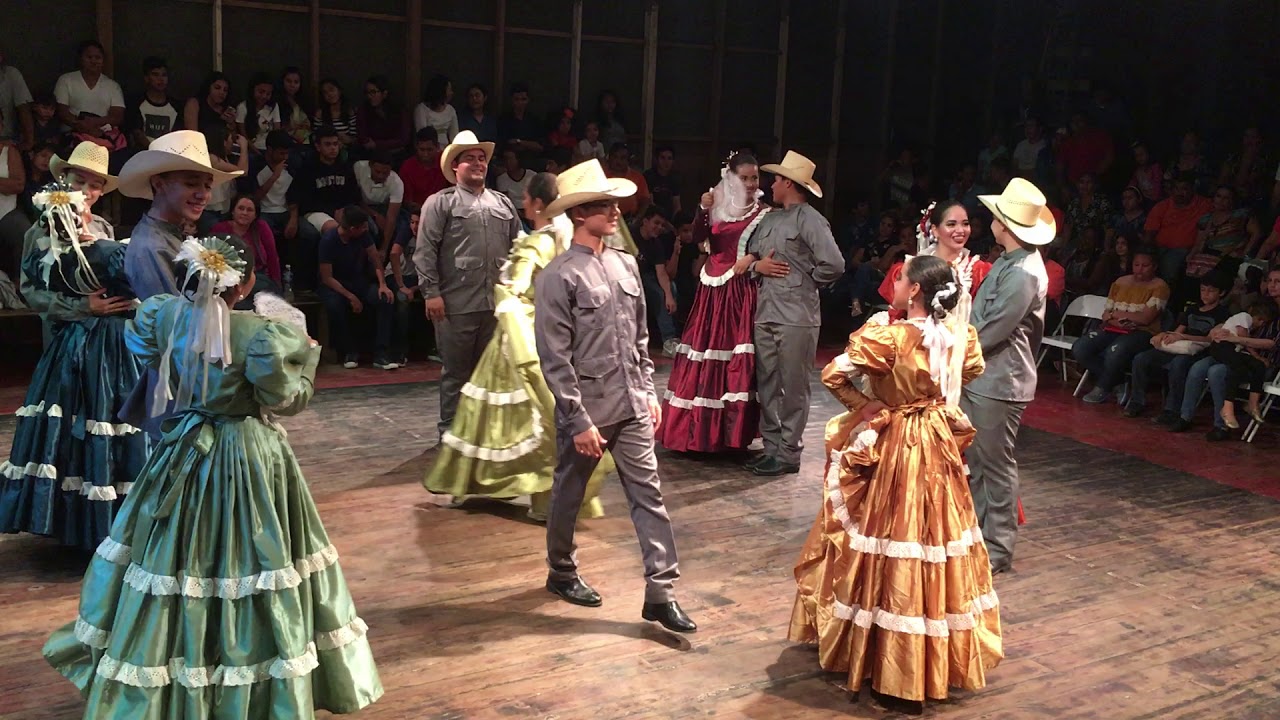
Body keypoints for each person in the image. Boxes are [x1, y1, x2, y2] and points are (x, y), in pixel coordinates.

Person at [42, 235, 382, 717]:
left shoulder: (163, 316)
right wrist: (307, 357)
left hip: (183, 445)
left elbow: (143, 352)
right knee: (252, 557)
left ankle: (167, 675)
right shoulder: (262, 334)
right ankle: (247, 679)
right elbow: (287, 400)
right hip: (247, 454)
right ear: (242, 285)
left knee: (175, 559)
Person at [789, 254, 1000, 712]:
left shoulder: (890, 335)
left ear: (917, 291)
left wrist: (865, 404)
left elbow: (834, 373)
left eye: (901, 278)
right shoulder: (961, 336)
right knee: (935, 537)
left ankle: (891, 668)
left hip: (900, 441)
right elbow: (970, 371)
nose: (896, 284)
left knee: (893, 536)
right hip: (938, 440)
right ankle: (925, 662)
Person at [534, 159, 695, 634]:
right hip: (588, 409)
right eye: (602, 204)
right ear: (579, 214)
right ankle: (562, 571)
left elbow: (640, 338)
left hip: (631, 403)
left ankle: (661, 592)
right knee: (568, 490)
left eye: (612, 202)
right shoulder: (558, 276)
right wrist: (578, 420)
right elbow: (554, 357)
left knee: (650, 495)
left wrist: (648, 390)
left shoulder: (625, 263)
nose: (615, 209)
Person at [425, 171, 613, 520]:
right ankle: (521, 491)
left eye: (527, 197)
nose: (522, 202)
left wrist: (515, 312)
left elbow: (514, 291)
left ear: (539, 204)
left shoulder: (537, 242)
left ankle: (534, 493)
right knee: (523, 418)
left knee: (526, 419)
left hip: (523, 336)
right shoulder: (564, 241)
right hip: (552, 334)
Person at [0, 146, 149, 551]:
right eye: (79, 180)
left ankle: (107, 518)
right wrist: (81, 306)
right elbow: (31, 291)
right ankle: (65, 520)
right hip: (68, 338)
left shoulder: (101, 224)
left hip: (112, 345)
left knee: (109, 421)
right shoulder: (40, 228)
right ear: (63, 180)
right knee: (68, 425)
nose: (86, 189)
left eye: (94, 184)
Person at [117, 130, 244, 440]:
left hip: (186, 387)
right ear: (159, 183)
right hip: (178, 394)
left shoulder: (173, 237)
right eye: (191, 183)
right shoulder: (151, 245)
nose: (203, 194)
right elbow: (177, 331)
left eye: (206, 185)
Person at [962, 177, 1053, 574]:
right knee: (979, 462)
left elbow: (996, 328)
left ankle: (997, 547)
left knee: (995, 464)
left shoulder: (1024, 272)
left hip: (1000, 380)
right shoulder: (1008, 262)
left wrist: (956, 354)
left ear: (1005, 224)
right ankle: (981, 537)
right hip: (986, 375)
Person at [738, 151, 844, 476]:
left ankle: (788, 452)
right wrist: (758, 265)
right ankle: (772, 448)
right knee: (768, 383)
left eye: (776, 180)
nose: (770, 185)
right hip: (767, 311)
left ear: (788, 183)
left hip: (797, 315)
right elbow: (750, 257)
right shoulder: (770, 219)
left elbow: (834, 263)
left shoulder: (810, 219)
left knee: (793, 385)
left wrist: (805, 280)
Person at [658, 151, 770, 453]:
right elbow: (697, 237)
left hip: (741, 294)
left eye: (754, 178)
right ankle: (698, 435)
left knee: (735, 361)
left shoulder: (764, 214)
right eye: (743, 177)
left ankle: (731, 436)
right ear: (730, 178)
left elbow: (767, 249)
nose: (749, 183)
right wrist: (702, 210)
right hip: (712, 293)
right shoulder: (717, 208)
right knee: (703, 358)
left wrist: (754, 257)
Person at [413, 130, 521, 438]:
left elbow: (518, 248)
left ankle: (484, 434)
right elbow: (425, 250)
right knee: (456, 373)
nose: (478, 163)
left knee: (492, 373)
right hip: (456, 303)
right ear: (455, 167)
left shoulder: (503, 203)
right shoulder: (440, 203)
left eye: (482, 158)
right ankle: (450, 433)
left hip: (496, 304)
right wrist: (431, 293)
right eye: (469, 158)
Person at [1124, 272, 1232, 421]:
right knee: (1141, 358)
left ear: (1222, 293)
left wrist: (1183, 336)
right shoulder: (1193, 309)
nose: (1206, 294)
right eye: (1203, 290)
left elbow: (1210, 339)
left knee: (1178, 364)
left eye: (1211, 291)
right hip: (1179, 345)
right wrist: (1165, 335)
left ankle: (1171, 410)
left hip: (1200, 351)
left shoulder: (1223, 313)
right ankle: (1136, 401)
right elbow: (1178, 331)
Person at [1072, 247, 1170, 404]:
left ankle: (1103, 387)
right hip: (1114, 326)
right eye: (1136, 264)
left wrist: (1116, 315)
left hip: (1142, 331)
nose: (1140, 269)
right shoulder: (1120, 282)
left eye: (1145, 266)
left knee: (1115, 351)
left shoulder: (1159, 286)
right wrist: (1115, 319)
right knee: (1080, 348)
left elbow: (1145, 318)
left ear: (1154, 267)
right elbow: (1106, 314)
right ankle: (1117, 380)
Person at [318, 206, 396, 370]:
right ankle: (349, 351)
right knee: (334, 305)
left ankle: (381, 352)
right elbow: (327, 277)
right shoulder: (329, 241)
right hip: (335, 284)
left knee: (384, 298)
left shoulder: (364, 236)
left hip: (358, 281)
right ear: (353, 229)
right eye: (363, 226)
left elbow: (375, 260)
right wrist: (350, 297)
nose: (367, 229)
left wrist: (382, 284)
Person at [211, 193, 283, 302]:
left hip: (258, 279)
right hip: (227, 282)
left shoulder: (261, 227)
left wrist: (278, 285)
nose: (244, 213)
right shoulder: (220, 228)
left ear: (255, 215)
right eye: (241, 208)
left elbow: (272, 257)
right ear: (233, 211)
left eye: (249, 210)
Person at [413, 74, 458, 145]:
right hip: (428, 151)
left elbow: (454, 137)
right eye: (449, 90)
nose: (451, 93)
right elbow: (423, 137)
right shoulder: (421, 109)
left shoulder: (451, 110)